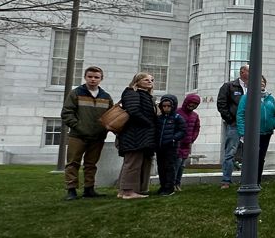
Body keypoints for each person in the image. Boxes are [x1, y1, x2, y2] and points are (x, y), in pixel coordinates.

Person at [61, 65, 113, 200]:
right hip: (78, 136)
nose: (93, 80)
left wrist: (105, 129)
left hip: (97, 137)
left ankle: (89, 189)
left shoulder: (106, 97)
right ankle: (71, 190)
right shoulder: (75, 93)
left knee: (91, 164)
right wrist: (79, 127)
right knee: (73, 163)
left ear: (101, 79)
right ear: (85, 77)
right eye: (90, 77)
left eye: (96, 77)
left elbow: (111, 116)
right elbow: (67, 113)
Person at [116, 72, 157, 200]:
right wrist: (149, 123)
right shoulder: (132, 92)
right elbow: (133, 111)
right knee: (133, 162)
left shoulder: (146, 95)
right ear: (137, 81)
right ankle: (128, 192)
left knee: (135, 162)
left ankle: (125, 190)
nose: (150, 82)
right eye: (146, 79)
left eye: (151, 80)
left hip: (141, 134)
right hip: (134, 134)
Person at [236, 75, 275, 185]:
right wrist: (242, 133)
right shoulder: (247, 97)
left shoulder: (270, 98)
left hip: (266, 133)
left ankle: (257, 181)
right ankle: (246, 181)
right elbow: (240, 115)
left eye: (263, 81)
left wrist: (273, 124)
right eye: (259, 81)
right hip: (251, 134)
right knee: (250, 158)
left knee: (261, 158)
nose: (262, 83)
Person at [216, 65, 250, 189]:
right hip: (234, 125)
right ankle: (226, 180)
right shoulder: (229, 86)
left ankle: (246, 180)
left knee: (249, 153)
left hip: (250, 126)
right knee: (230, 152)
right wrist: (230, 120)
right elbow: (221, 104)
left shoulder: (254, 87)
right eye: (250, 71)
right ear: (242, 72)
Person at [153, 93, 185, 196]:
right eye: (164, 106)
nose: (166, 108)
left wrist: (174, 139)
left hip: (171, 147)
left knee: (169, 167)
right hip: (160, 146)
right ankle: (162, 186)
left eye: (168, 106)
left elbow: (182, 130)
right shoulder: (159, 118)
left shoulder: (177, 118)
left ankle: (169, 187)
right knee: (161, 167)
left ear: (173, 106)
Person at [175, 93, 201, 191]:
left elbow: (196, 128)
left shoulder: (195, 115)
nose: (193, 105)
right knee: (176, 164)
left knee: (182, 165)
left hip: (187, 144)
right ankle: (172, 183)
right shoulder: (177, 112)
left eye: (195, 104)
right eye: (191, 103)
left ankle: (178, 183)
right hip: (177, 143)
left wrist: (192, 139)